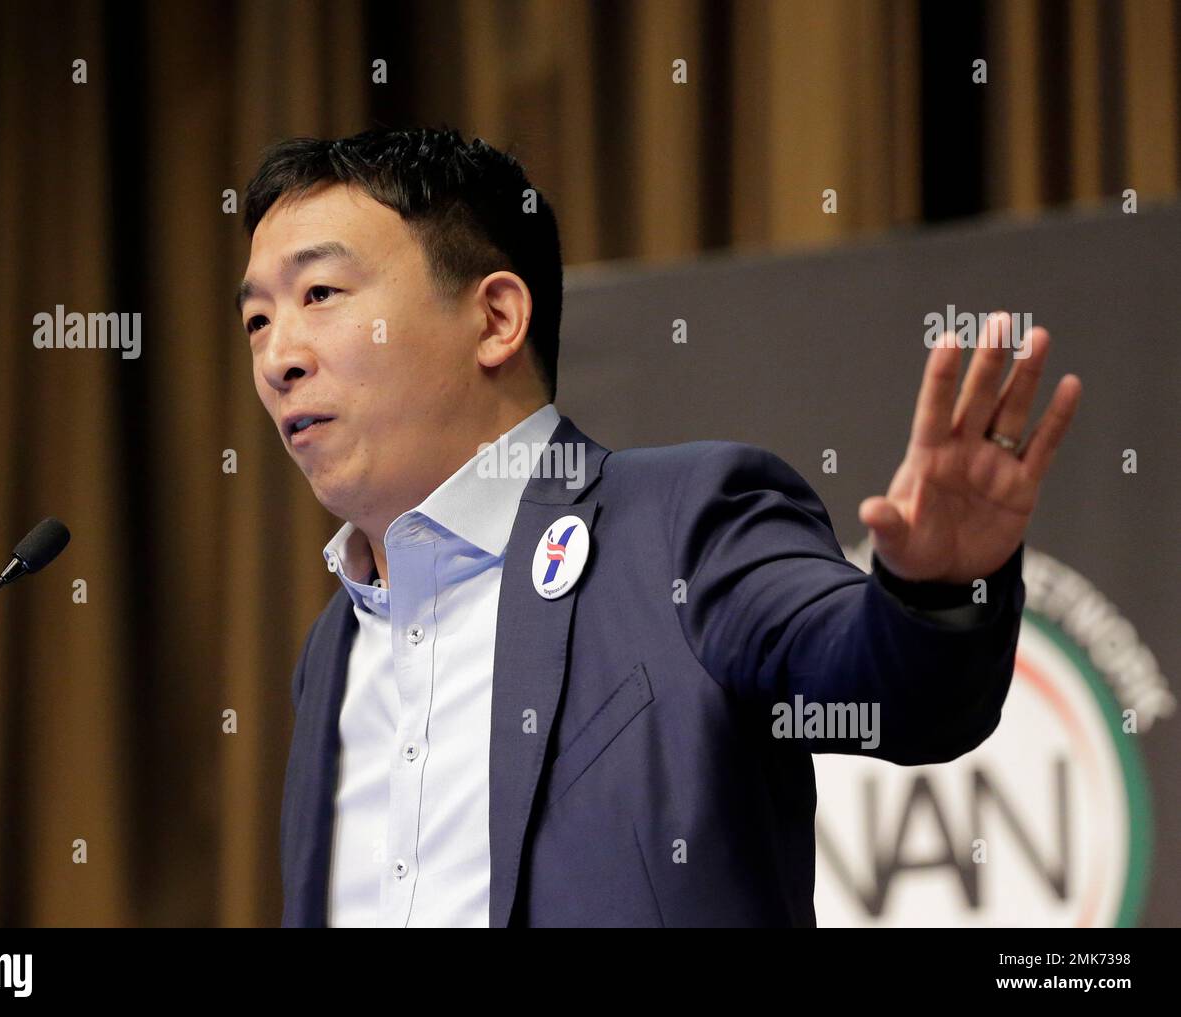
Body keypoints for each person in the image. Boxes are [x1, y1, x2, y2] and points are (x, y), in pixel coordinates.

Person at [235, 126, 1082, 927]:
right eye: (258, 320)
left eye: (320, 294)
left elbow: (896, 695)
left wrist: (935, 591)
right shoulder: (333, 648)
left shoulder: (683, 522)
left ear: (495, 318)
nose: (279, 357)